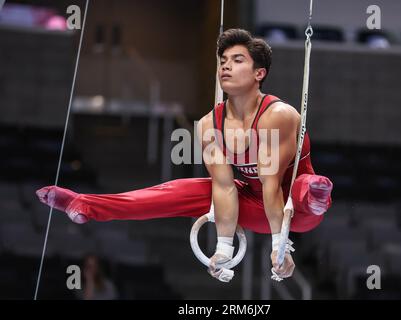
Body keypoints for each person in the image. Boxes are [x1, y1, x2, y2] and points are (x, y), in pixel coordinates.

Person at [36, 28, 333, 281]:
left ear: (259, 73)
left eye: (237, 60)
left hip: (293, 207)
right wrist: (223, 250)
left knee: (304, 187)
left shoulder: (278, 115)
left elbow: (272, 187)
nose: (225, 66)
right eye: (223, 61)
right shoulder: (208, 125)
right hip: (252, 203)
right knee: (183, 190)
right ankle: (86, 205)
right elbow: (225, 187)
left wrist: (279, 248)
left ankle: (317, 197)